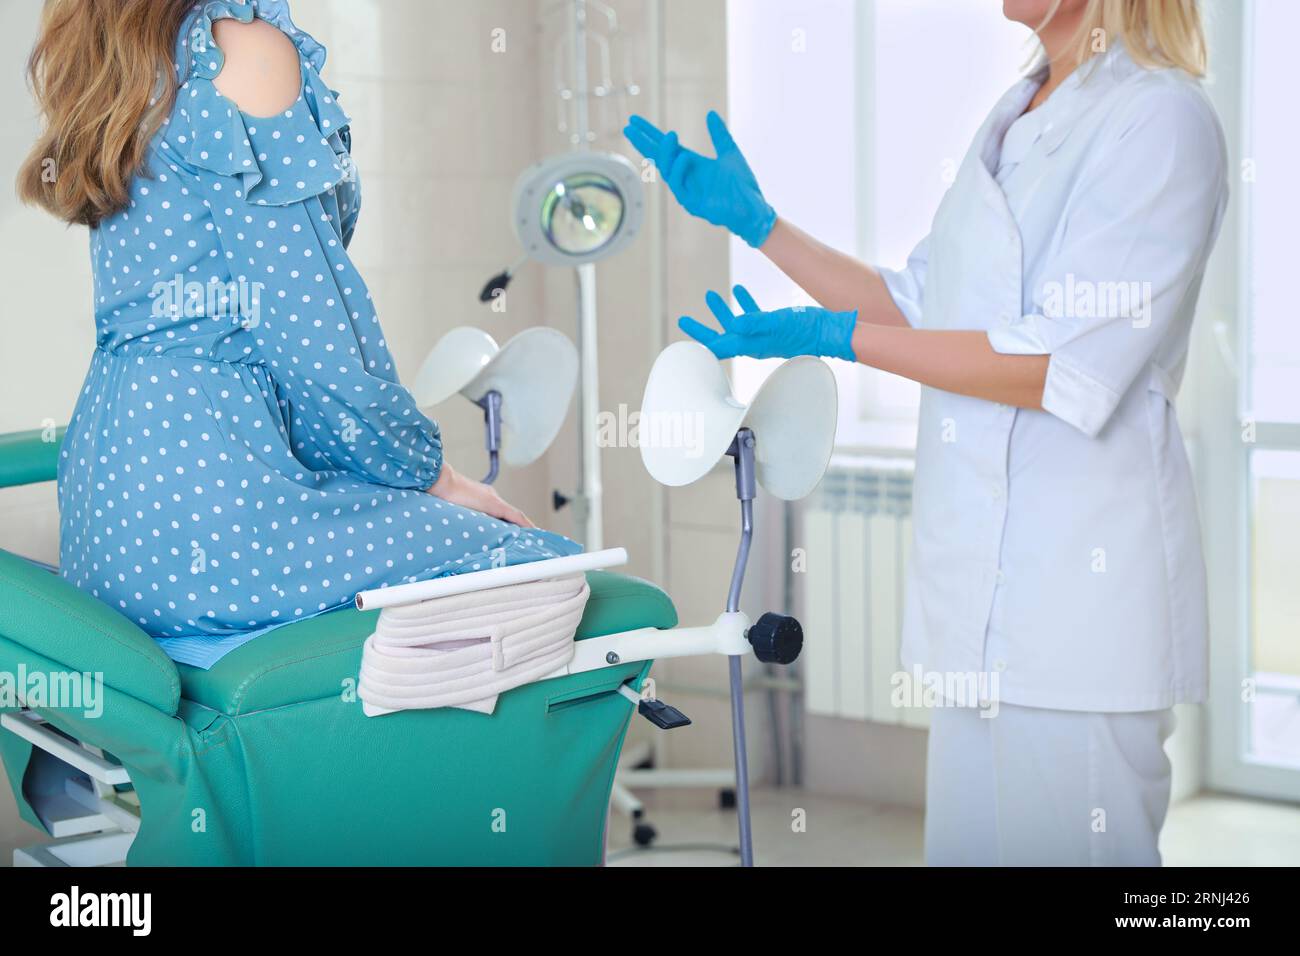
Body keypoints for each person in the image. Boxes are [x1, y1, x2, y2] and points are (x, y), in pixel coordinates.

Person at [626, 0, 1226, 865]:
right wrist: (759, 227)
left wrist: (838, 340)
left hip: (1076, 605)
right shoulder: (1016, 110)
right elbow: (918, 305)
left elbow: (1062, 365)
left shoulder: (1159, 118)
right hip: (975, 609)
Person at [18, 0, 576, 668]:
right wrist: (430, 474)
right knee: (546, 565)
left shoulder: (131, 62)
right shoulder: (243, 51)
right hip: (214, 516)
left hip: (105, 527)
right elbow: (316, 342)